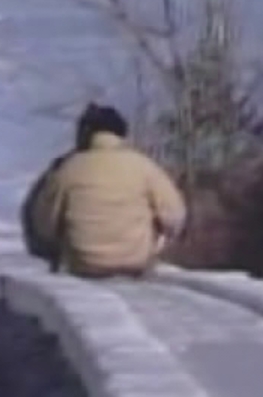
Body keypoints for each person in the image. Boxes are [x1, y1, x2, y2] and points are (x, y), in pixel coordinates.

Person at [28, 105, 186, 278]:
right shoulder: (143, 166)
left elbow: (44, 222)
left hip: (83, 263)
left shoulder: (69, 168)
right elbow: (174, 215)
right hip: (135, 262)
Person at [18, 102, 106, 266]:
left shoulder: (65, 167)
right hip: (133, 258)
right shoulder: (141, 167)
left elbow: (37, 214)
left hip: (76, 258)